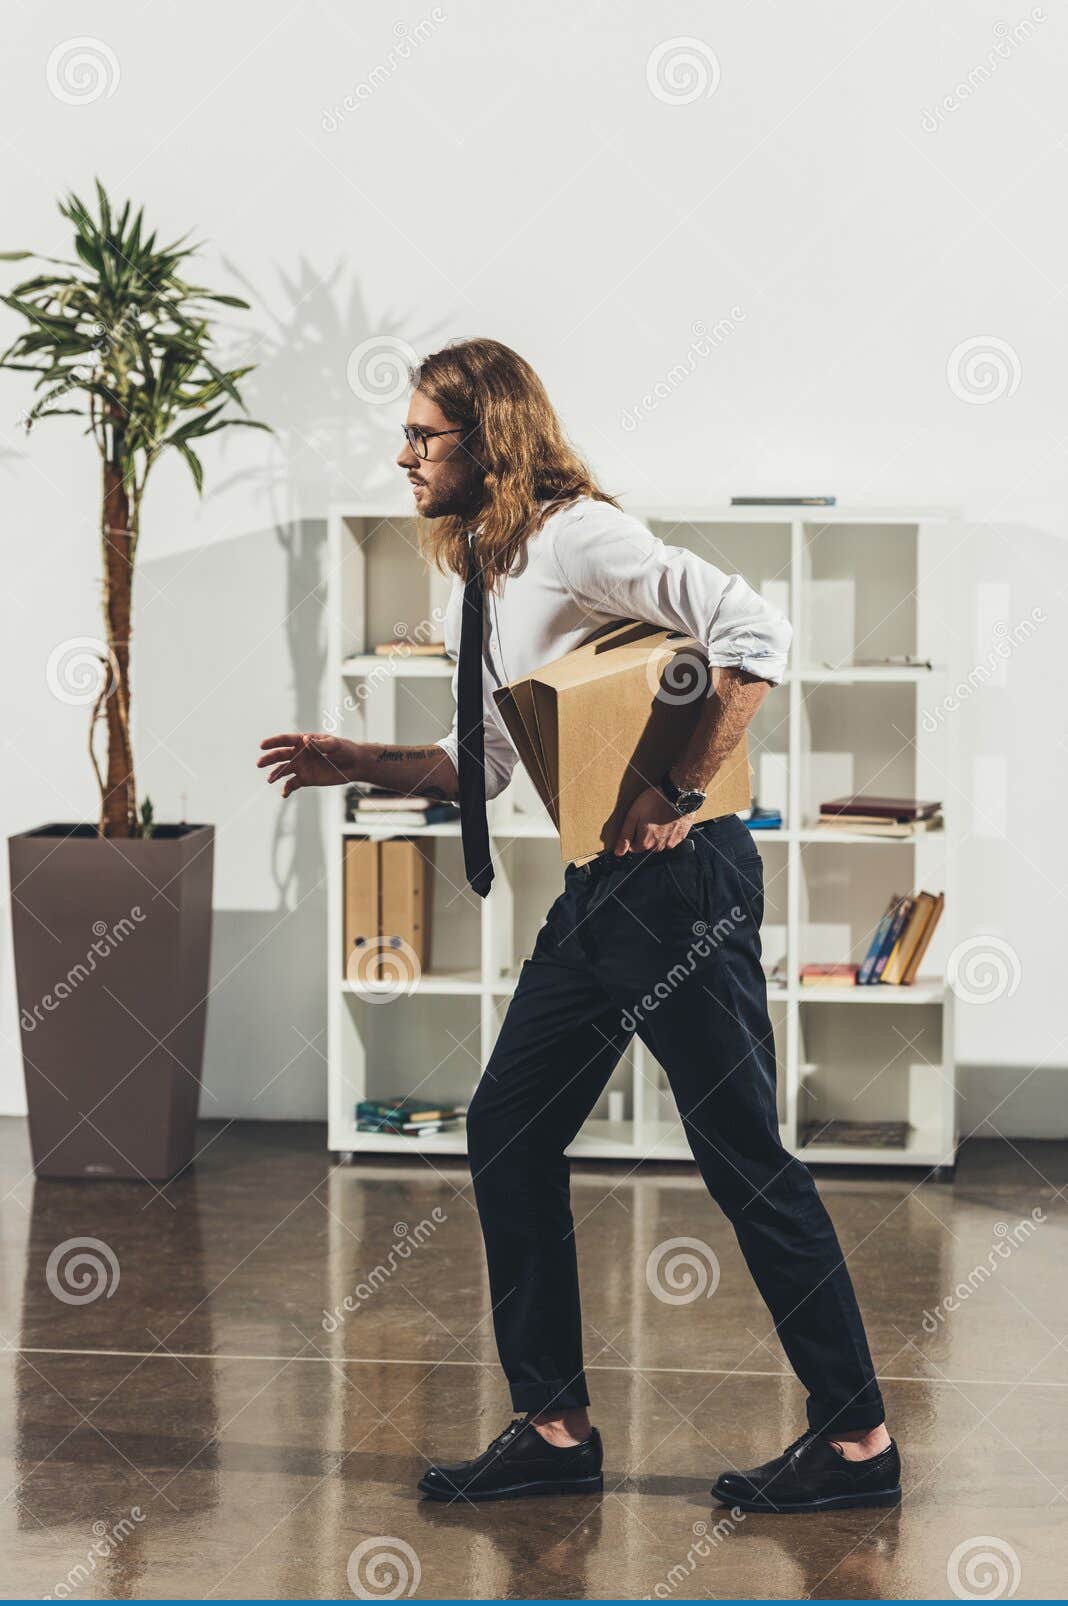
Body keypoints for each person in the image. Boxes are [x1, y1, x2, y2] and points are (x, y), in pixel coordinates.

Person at [258, 338, 900, 1514]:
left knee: (742, 1157)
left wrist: (681, 789)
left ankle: (857, 1440)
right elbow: (490, 763)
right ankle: (553, 1427)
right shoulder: (491, 573)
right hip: (602, 890)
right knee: (506, 1128)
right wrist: (364, 759)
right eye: (405, 434)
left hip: (682, 886)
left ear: (488, 438)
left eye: (424, 436)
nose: (404, 454)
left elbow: (751, 632)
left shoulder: (577, 536)